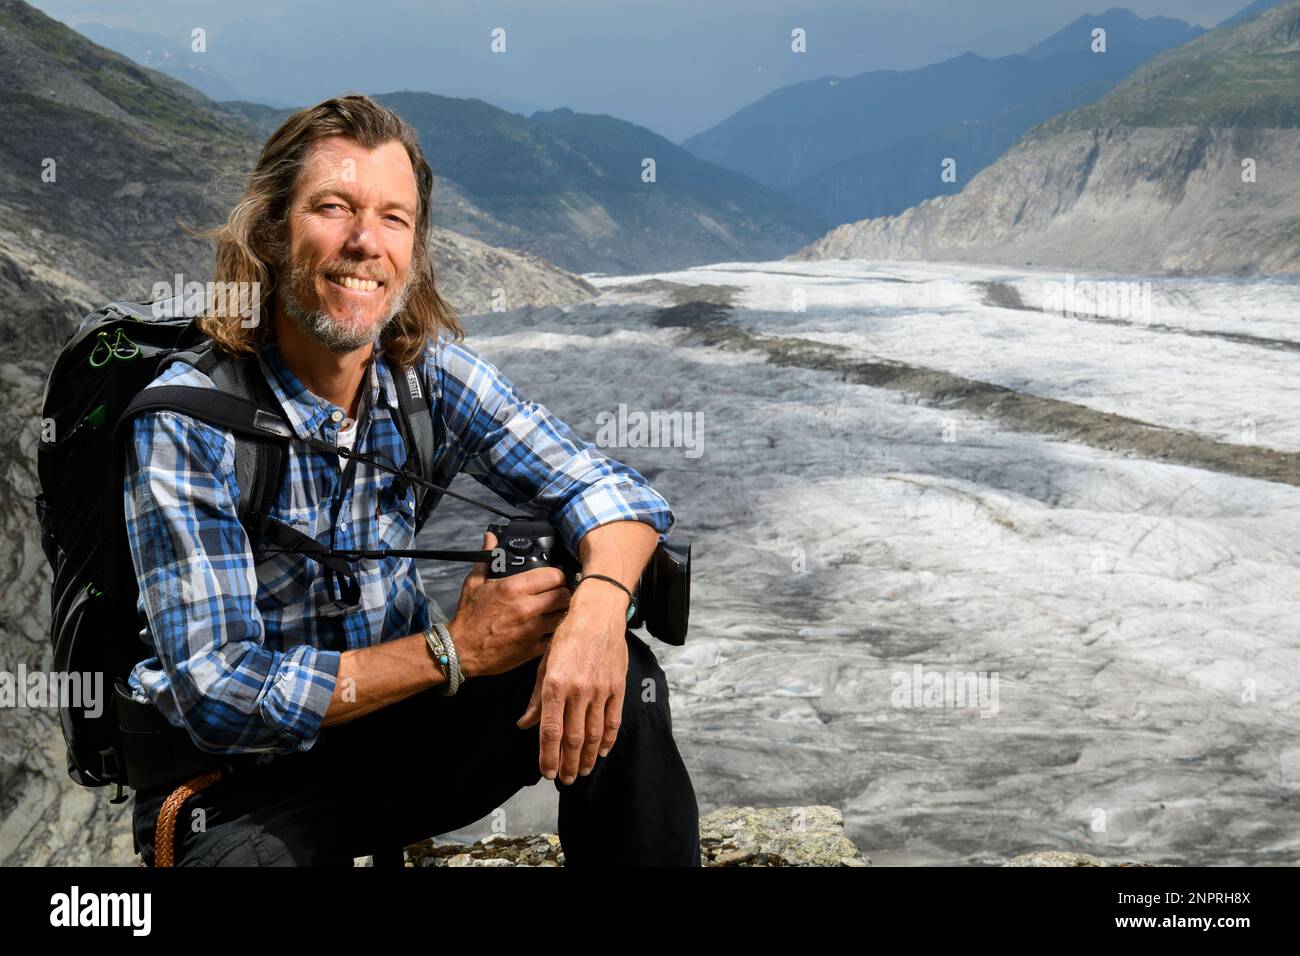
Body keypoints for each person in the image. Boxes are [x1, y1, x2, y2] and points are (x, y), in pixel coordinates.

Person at [122, 93, 701, 867]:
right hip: (242, 787)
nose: (366, 241)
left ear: (415, 247)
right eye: (334, 207)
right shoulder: (189, 420)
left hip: (399, 739)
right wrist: (454, 649)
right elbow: (221, 693)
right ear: (270, 231)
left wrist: (599, 612)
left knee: (620, 679)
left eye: (394, 217)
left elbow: (613, 489)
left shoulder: (424, 378)